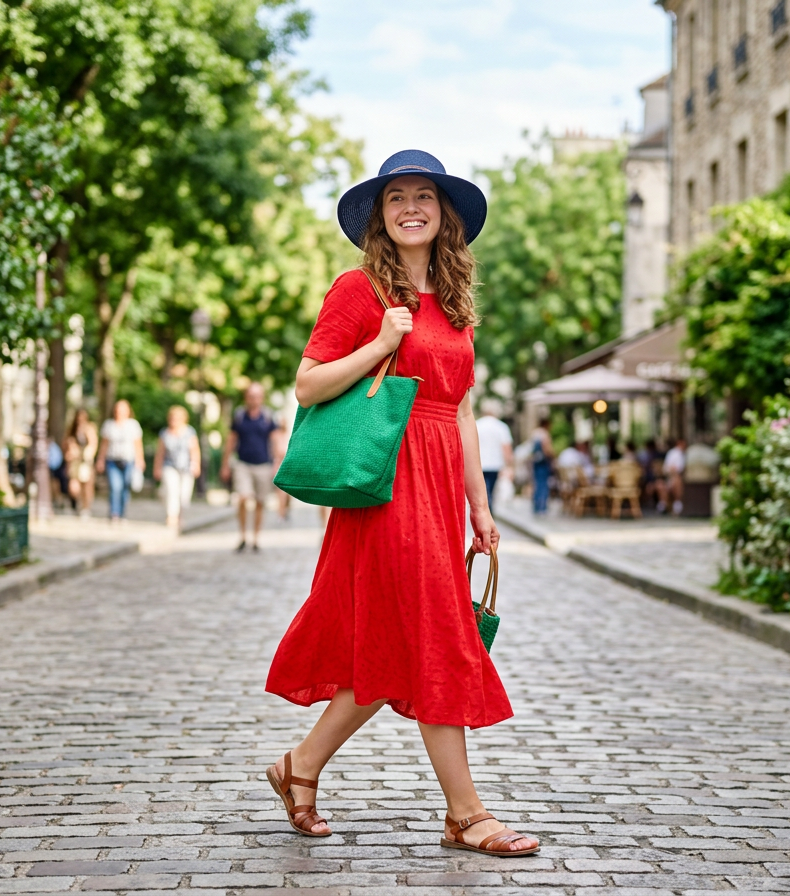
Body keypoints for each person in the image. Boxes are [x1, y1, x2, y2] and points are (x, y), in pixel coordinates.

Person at [264, 150, 538, 856]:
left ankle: (300, 768)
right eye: (396, 198)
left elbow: (462, 410)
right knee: (433, 635)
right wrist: (382, 341)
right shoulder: (358, 291)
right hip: (387, 483)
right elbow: (308, 384)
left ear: (444, 214)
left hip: (440, 487)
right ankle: (466, 813)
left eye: (424, 196)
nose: (411, 207)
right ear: (380, 217)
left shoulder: (455, 304)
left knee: (394, 641)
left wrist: (481, 509)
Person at [221, 384, 277, 552]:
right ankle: (243, 536)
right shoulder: (239, 417)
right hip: (242, 464)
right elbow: (231, 441)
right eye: (251, 396)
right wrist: (225, 464)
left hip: (263, 465)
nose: (254, 399)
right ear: (246, 397)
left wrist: (277, 464)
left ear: (262, 398)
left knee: (260, 502)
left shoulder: (268, 417)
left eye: (257, 396)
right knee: (243, 497)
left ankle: (256, 538)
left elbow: (275, 440)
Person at [153, 405, 202, 530]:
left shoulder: (189, 432)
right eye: (172, 418)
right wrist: (157, 467)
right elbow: (160, 452)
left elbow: (195, 450)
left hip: (186, 467)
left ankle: (180, 516)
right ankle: (171, 516)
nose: (174, 420)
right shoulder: (165, 433)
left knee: (184, 494)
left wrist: (196, 464)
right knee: (171, 490)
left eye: (177, 418)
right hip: (169, 466)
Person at [96, 400, 144, 522]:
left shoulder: (133, 425)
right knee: (115, 486)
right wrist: (100, 459)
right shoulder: (109, 425)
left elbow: (138, 444)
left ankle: (123, 512)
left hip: (128, 460)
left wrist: (140, 460)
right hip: (112, 460)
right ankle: (114, 513)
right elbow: (104, 444)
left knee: (125, 487)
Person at [475, 398, 512, 509]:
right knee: (491, 489)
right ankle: (488, 509)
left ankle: (485, 508)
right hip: (495, 464)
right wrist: (509, 465)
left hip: (479, 463)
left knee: (482, 490)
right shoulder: (501, 426)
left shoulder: (477, 425)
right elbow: (506, 448)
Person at [63, 409, 98, 517]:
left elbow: (93, 444)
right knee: (73, 487)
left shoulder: (89, 429)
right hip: (74, 461)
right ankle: (75, 503)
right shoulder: (72, 430)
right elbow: (66, 444)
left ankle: (85, 507)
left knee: (86, 485)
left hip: (84, 461)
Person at [529, 416, 553, 516]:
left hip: (535, 462)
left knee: (537, 483)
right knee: (543, 484)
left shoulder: (534, 433)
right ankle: (542, 507)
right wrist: (552, 456)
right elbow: (547, 449)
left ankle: (536, 506)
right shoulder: (544, 434)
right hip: (542, 462)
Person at [659, 437, 687, 515]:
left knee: (677, 481)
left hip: (679, 478)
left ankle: (677, 505)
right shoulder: (673, 453)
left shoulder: (684, 454)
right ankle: (664, 505)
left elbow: (680, 469)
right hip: (670, 477)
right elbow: (666, 468)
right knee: (662, 485)